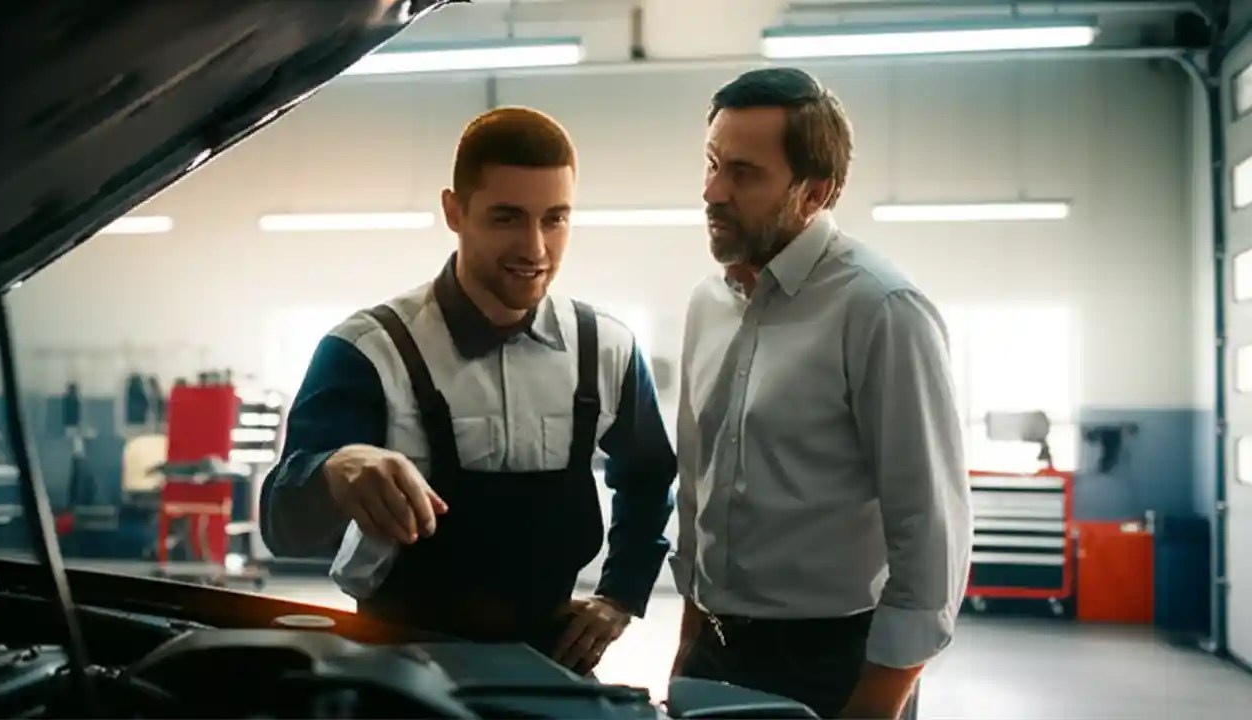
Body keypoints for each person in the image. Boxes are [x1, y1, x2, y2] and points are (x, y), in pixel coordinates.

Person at [259, 106, 677, 676]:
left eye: (555, 219)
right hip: (397, 666)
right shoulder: (369, 351)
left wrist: (621, 594)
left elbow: (649, 477)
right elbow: (281, 522)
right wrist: (333, 470)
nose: (535, 248)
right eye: (507, 218)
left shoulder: (605, 349)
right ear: (454, 211)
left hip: (550, 666)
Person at [669, 67, 972, 719]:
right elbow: (696, 489)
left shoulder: (882, 310)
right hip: (716, 651)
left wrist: (878, 702)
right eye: (713, 164)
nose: (712, 192)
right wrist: (688, 648)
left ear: (815, 192)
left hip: (837, 665)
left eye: (743, 174)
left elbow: (930, 534)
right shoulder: (707, 305)